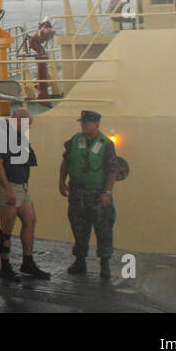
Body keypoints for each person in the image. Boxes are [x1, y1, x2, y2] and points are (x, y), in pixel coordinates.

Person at [0, 107, 50, 280]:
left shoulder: (19, 136)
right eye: (28, 124)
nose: (29, 127)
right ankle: (5, 266)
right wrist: (7, 189)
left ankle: (27, 262)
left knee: (29, 220)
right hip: (8, 185)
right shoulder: (2, 135)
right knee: (7, 226)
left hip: (21, 186)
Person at [60, 109, 118, 279]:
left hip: (97, 196)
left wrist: (107, 192)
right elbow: (66, 162)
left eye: (86, 123)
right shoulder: (75, 140)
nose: (83, 125)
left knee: (104, 229)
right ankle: (80, 261)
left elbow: (112, 170)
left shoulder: (106, 144)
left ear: (96, 124)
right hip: (77, 194)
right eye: (82, 123)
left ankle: (105, 264)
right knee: (79, 229)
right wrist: (61, 182)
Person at [27, 19, 56, 104]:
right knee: (42, 64)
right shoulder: (37, 36)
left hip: (38, 49)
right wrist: (40, 52)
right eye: (48, 28)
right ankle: (43, 94)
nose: (50, 30)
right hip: (37, 48)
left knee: (43, 69)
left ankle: (43, 93)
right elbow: (33, 41)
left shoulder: (43, 33)